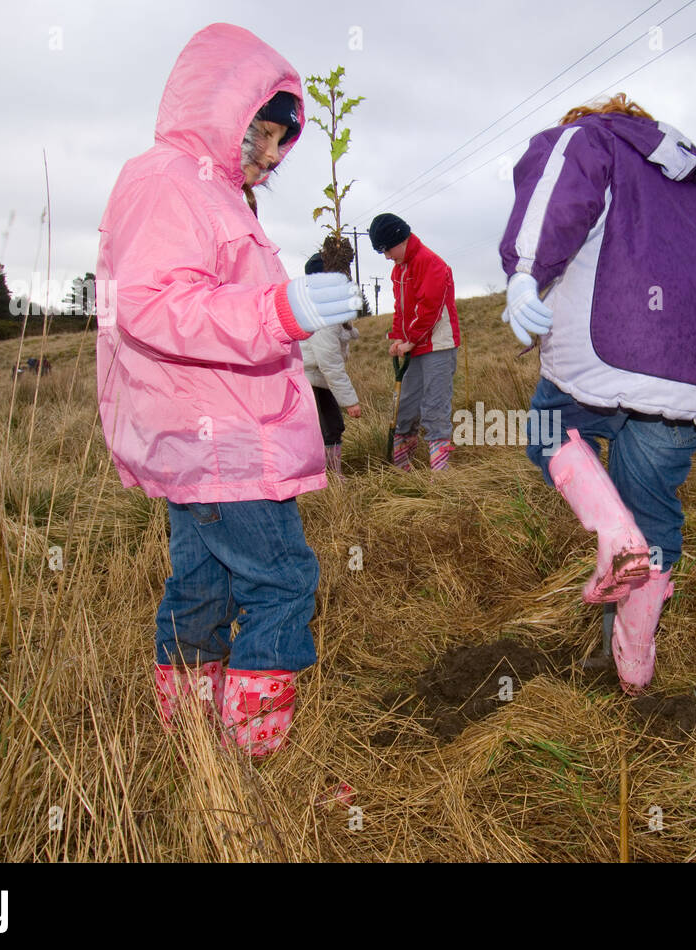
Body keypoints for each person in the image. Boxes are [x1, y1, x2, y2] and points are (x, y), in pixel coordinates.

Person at [96, 23, 361, 757]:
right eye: (264, 134)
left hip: (207, 436)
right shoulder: (166, 181)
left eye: (283, 142)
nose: (272, 156)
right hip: (224, 437)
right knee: (280, 581)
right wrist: (280, 309)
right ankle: (255, 754)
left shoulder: (210, 191)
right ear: (222, 110)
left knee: (204, 585)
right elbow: (150, 304)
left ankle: (190, 743)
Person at [499, 94, 696, 696]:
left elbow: (554, 198)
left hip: (605, 352)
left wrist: (524, 272)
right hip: (688, 386)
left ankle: (613, 535)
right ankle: (635, 661)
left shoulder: (592, 138)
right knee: (656, 509)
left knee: (546, 434)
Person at [369, 213, 460, 471]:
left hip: (438, 345)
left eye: (387, 249)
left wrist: (410, 339)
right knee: (406, 404)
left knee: (434, 405)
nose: (387, 256)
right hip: (414, 345)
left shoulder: (431, 263)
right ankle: (402, 467)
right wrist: (399, 337)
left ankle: (439, 475)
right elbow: (401, 308)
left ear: (400, 239)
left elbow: (429, 308)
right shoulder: (399, 269)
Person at [299, 252, 362, 475]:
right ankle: (329, 478)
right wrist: (351, 401)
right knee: (328, 428)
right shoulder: (321, 315)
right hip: (312, 379)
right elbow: (330, 364)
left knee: (330, 427)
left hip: (316, 377)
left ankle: (329, 476)